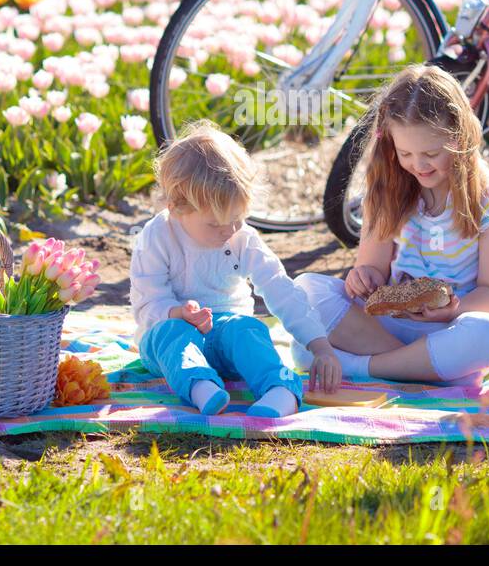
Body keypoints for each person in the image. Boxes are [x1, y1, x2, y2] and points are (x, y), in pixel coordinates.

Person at [294, 65, 489, 386]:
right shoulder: (388, 189)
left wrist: (447, 312)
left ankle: (362, 367)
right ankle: (420, 366)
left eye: (431, 153)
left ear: (460, 139)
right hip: (391, 325)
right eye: (406, 153)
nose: (418, 165)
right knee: (306, 290)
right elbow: (372, 270)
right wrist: (364, 278)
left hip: (455, 325)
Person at [129, 120, 341, 417]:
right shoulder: (156, 236)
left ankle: (279, 390)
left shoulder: (242, 238)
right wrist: (179, 313)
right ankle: (202, 388)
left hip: (227, 337)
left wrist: (320, 345)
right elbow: (147, 302)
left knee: (249, 330)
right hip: (171, 340)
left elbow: (280, 288)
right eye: (215, 224)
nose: (229, 230)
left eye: (238, 218)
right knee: (170, 334)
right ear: (177, 208)